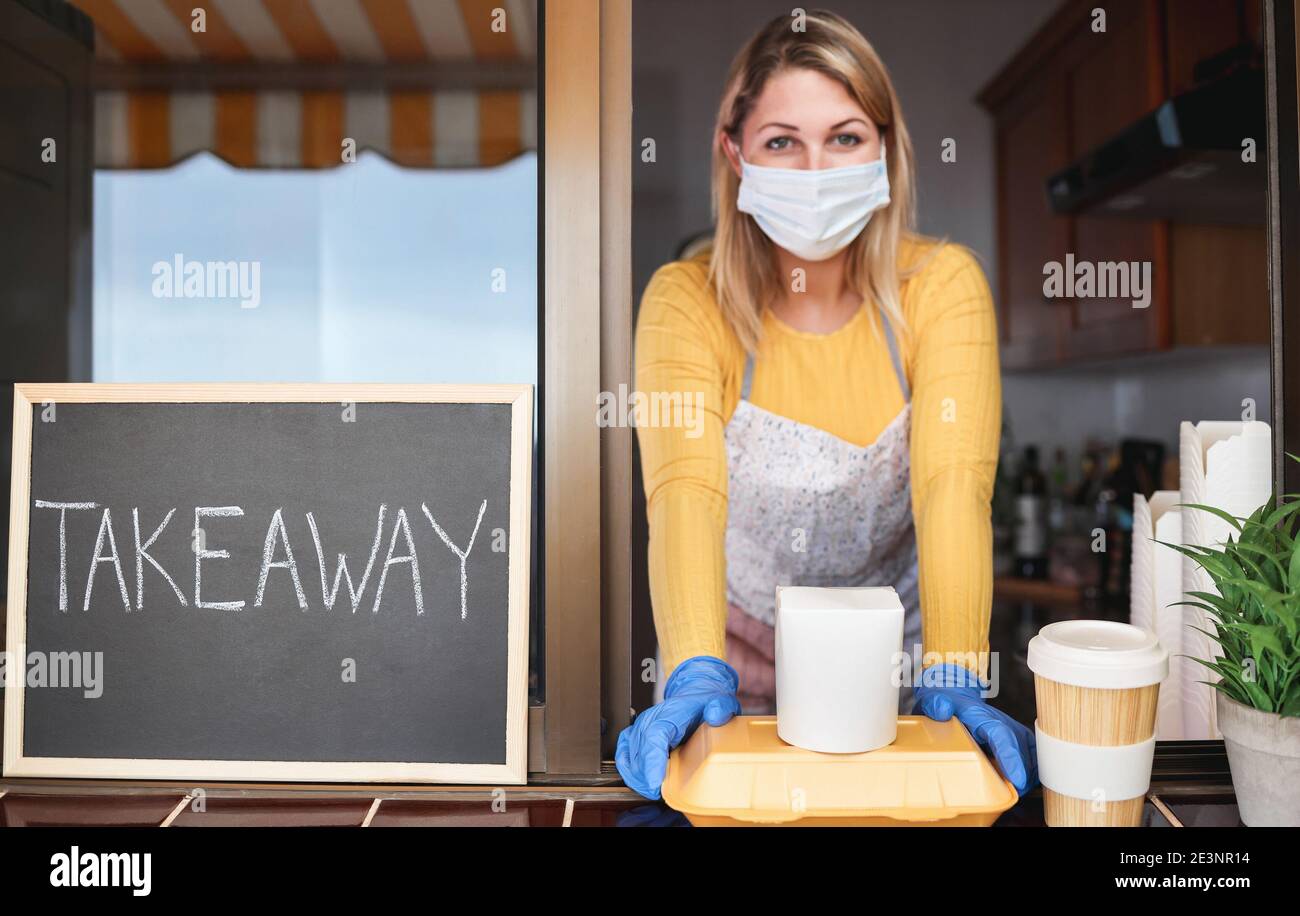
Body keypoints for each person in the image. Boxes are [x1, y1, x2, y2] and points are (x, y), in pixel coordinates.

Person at [616, 10, 1036, 800]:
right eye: (782, 141)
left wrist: (954, 667)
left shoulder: (941, 289)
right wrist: (695, 669)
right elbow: (683, 494)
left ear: (886, 147)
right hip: (734, 675)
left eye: (844, 138)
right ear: (734, 154)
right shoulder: (685, 301)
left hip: (907, 683)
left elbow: (953, 485)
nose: (814, 170)